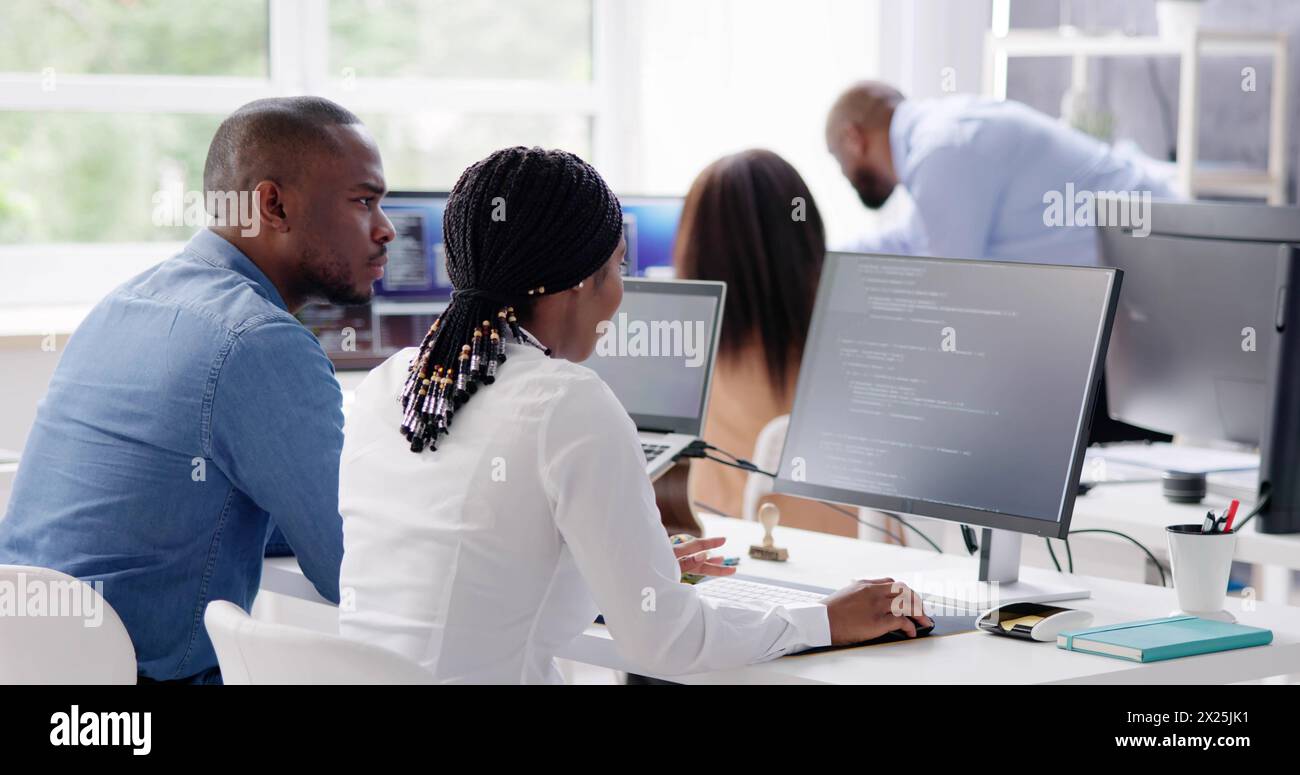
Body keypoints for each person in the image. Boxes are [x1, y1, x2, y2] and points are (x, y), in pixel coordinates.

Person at [337, 146, 930, 683]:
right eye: (619, 267)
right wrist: (825, 618)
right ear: (577, 283)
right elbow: (667, 645)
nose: (622, 293)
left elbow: (471, 574)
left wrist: (619, 569)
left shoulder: (391, 381)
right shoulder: (569, 402)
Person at [0, 96, 395, 683]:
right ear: (273, 204)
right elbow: (355, 571)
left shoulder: (126, 302)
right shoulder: (260, 341)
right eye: (364, 201)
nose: (386, 229)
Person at [672, 149, 852, 536]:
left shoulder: (679, 348)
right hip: (860, 561)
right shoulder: (854, 341)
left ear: (697, 244)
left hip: (730, 554)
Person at [825, 80, 1179, 266]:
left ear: (852, 139)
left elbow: (946, 281)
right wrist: (819, 261)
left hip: (1157, 252)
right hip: (1153, 240)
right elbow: (909, 241)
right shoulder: (941, 136)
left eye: (835, 158)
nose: (842, 174)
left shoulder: (942, 151)